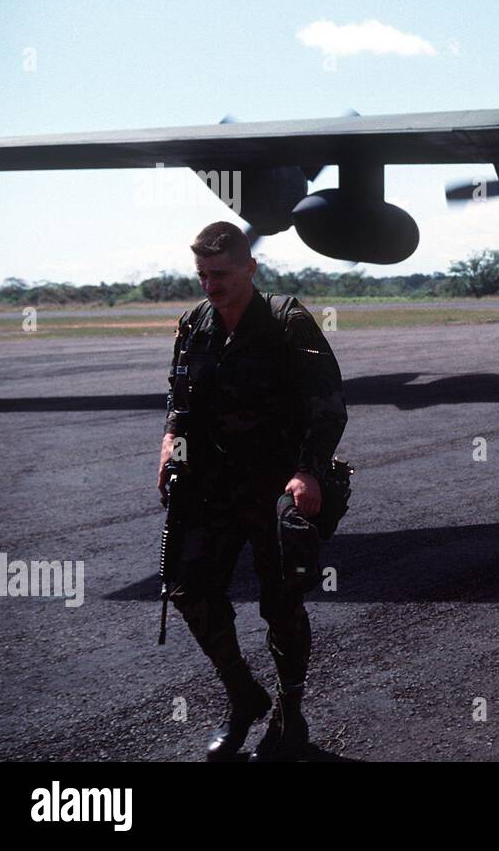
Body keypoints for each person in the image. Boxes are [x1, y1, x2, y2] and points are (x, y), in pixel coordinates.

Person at [157, 221, 347, 761]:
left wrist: (308, 472)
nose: (210, 285)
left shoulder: (287, 322)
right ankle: (243, 696)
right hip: (210, 486)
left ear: (250, 269)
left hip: (273, 486)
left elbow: (327, 405)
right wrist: (171, 444)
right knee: (189, 589)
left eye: (220, 274)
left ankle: (290, 713)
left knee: (280, 603)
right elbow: (180, 398)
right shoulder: (194, 324)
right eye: (202, 275)